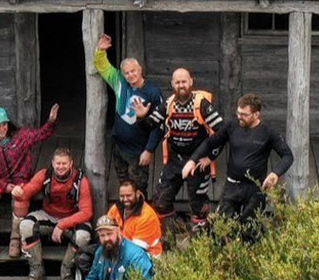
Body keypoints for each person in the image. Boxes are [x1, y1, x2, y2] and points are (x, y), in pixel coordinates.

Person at [186, 94, 294, 240]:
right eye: (238, 113)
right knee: (222, 227)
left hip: (255, 187)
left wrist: (275, 173)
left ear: (256, 114)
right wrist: (192, 160)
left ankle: (249, 257)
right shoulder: (232, 126)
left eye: (244, 114)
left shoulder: (268, 131)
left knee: (250, 229)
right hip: (232, 185)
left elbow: (288, 155)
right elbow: (210, 143)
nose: (239, 117)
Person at [135, 67, 223, 231]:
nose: (181, 85)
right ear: (172, 84)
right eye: (177, 82)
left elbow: (222, 131)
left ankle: (200, 244)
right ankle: (175, 233)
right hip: (175, 160)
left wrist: (210, 157)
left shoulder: (202, 104)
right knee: (160, 201)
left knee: (198, 206)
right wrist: (142, 116)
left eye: (184, 81)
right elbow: (149, 126)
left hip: (197, 163)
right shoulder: (167, 105)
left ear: (191, 82)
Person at [0, 105, 58, 259]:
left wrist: (51, 121)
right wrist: (5, 186)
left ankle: (16, 237)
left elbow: (42, 134)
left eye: (4, 124)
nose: (2, 128)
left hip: (21, 180)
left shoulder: (21, 136)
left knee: (21, 200)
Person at [18, 147, 94, 280]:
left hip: (72, 217)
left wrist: (62, 225)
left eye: (64, 163)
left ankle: (66, 271)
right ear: (52, 163)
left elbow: (87, 212)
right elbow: (25, 193)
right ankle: (36, 271)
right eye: (58, 163)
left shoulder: (80, 180)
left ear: (71, 163)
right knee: (26, 225)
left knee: (83, 236)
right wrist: (17, 191)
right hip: (48, 215)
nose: (61, 167)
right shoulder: (45, 175)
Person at [95, 34, 163, 190]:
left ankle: (141, 215)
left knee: (137, 190)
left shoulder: (152, 92)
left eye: (133, 71)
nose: (130, 75)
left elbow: (159, 125)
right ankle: (125, 215)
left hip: (138, 151)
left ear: (140, 70)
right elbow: (103, 66)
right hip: (119, 147)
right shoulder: (119, 81)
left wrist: (149, 150)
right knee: (124, 189)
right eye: (126, 73)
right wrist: (100, 51)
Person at [77, 214, 154, 280]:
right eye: (102, 235)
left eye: (109, 234)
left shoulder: (136, 256)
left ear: (118, 232)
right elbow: (92, 278)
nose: (106, 239)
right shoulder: (101, 252)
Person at [107, 178, 163, 257]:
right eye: (122, 196)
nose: (125, 199)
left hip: (146, 256)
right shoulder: (116, 209)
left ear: (137, 194)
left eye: (129, 195)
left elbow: (134, 250)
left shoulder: (147, 216)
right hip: (121, 250)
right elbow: (105, 233)